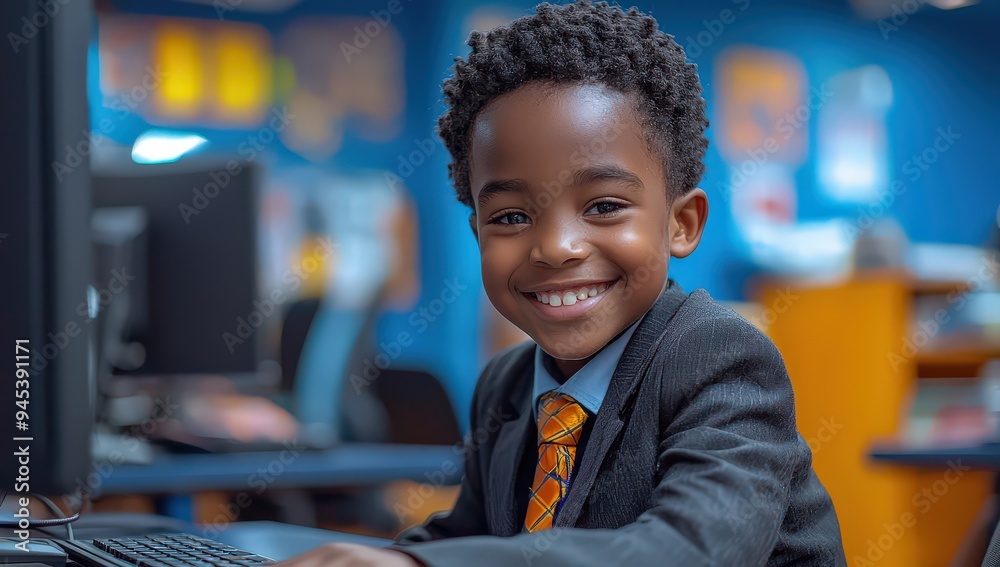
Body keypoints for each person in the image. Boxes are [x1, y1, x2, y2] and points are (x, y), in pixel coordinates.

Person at [275, 1, 846, 565]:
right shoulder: (505, 385)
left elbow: (689, 547)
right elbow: (473, 535)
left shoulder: (719, 358)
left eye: (602, 205)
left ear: (682, 223)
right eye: (511, 217)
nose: (554, 247)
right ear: (478, 234)